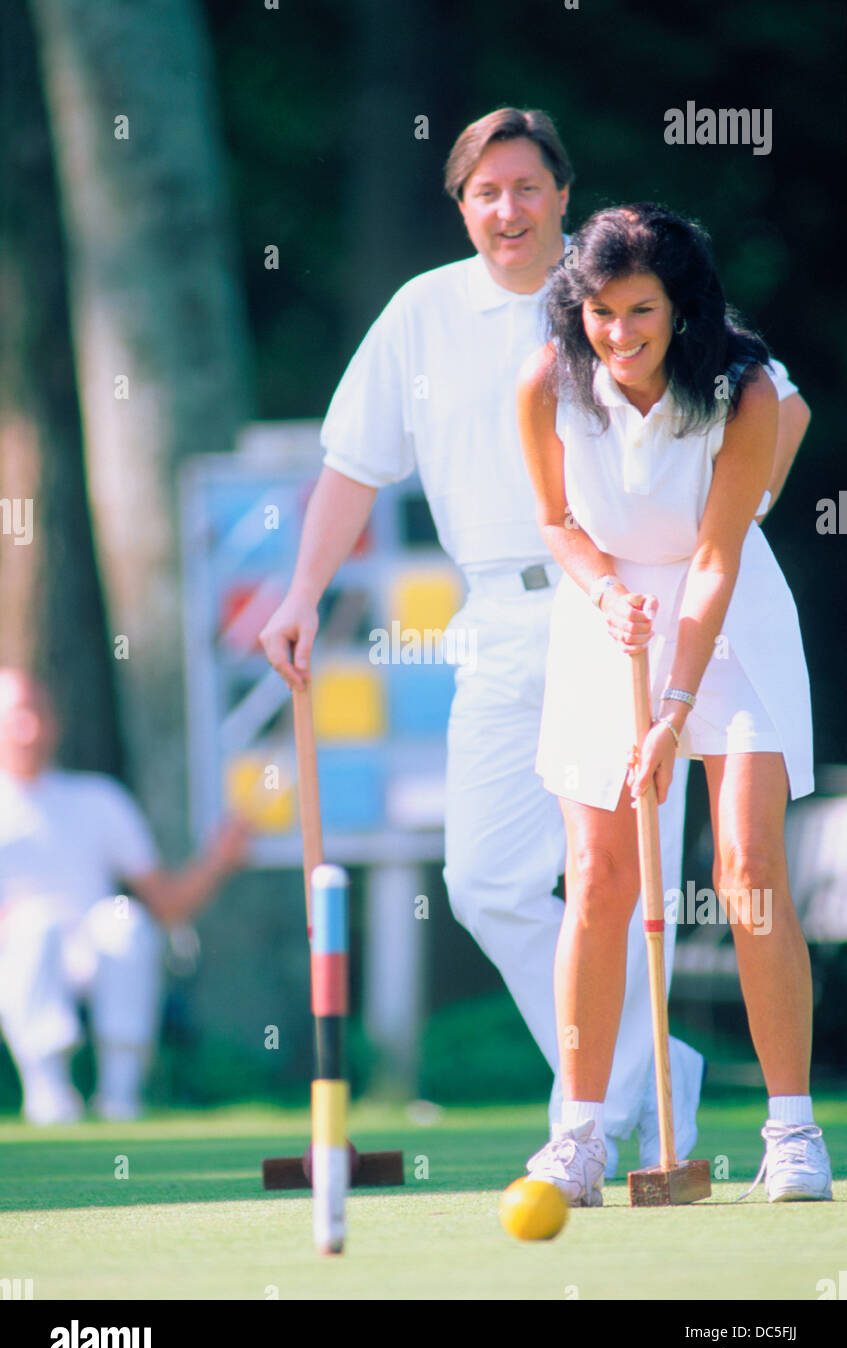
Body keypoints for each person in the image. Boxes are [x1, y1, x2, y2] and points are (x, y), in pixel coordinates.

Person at [259, 109, 810, 1176]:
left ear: (563, 193)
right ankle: (642, 1075)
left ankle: (610, 1118)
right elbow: (353, 463)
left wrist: (732, 520)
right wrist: (301, 593)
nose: (504, 209)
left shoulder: (635, 283)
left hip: (662, 606)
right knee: (488, 883)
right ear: (460, 204)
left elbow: (772, 407)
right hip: (516, 615)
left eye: (523, 187)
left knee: (668, 874)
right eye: (483, 191)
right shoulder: (425, 313)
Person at [516, 202, 831, 1205]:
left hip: (725, 621)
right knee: (599, 879)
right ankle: (579, 1134)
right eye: (600, 312)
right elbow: (556, 520)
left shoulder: (742, 392)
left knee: (745, 868)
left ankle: (790, 1132)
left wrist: (670, 709)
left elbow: (715, 555)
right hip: (603, 616)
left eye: (640, 311)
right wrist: (606, 593)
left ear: (681, 308)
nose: (618, 334)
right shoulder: (545, 381)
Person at [0, 669, 248, 1122]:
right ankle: (49, 1094)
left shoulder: (99, 799)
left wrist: (218, 859)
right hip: (15, 957)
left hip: (91, 955)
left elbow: (166, 905)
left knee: (125, 920)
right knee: (35, 924)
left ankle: (121, 1096)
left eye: (37, 714)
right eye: (17, 715)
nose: (29, 728)